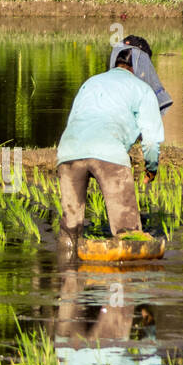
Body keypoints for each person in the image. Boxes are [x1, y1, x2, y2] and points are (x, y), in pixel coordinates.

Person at [55, 35, 166, 259]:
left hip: (68, 153)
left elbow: (74, 119)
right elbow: (152, 141)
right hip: (109, 156)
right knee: (127, 232)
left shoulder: (91, 82)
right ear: (144, 65)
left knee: (71, 228)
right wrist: (151, 168)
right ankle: (127, 283)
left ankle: (67, 278)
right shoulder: (143, 90)